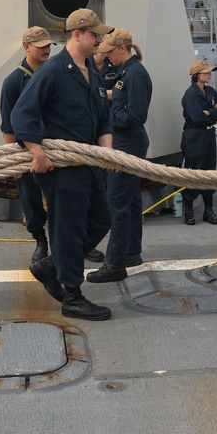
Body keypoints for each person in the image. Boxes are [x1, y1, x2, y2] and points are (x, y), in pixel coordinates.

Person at [11, 8, 115, 321]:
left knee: (101, 218)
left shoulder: (92, 71)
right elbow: (22, 114)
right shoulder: (53, 71)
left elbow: (103, 118)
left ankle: (52, 266)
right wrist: (36, 152)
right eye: (95, 33)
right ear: (77, 34)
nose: (99, 38)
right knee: (68, 231)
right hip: (64, 171)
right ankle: (72, 295)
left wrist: (108, 151)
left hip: (90, 166)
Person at [87, 28, 152, 283]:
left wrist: (107, 117)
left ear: (122, 48)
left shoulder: (135, 74)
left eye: (110, 52)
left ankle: (114, 262)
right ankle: (131, 252)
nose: (107, 57)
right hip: (128, 142)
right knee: (132, 202)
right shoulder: (128, 72)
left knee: (117, 203)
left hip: (128, 143)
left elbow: (137, 115)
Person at [0, 26, 55, 263]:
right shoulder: (13, 83)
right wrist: (15, 163)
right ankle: (40, 240)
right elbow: (8, 125)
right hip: (25, 152)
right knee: (31, 201)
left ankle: (75, 241)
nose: (46, 50)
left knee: (64, 200)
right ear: (27, 47)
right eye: (41, 46)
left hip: (55, 150)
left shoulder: (54, 75)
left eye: (48, 46)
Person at [180, 60, 217, 225]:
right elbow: (197, 117)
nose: (209, 73)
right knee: (192, 172)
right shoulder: (191, 94)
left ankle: (208, 210)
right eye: (206, 72)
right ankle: (189, 210)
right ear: (196, 75)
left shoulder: (211, 91)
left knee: (209, 171)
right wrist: (212, 113)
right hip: (194, 136)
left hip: (208, 136)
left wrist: (210, 112)